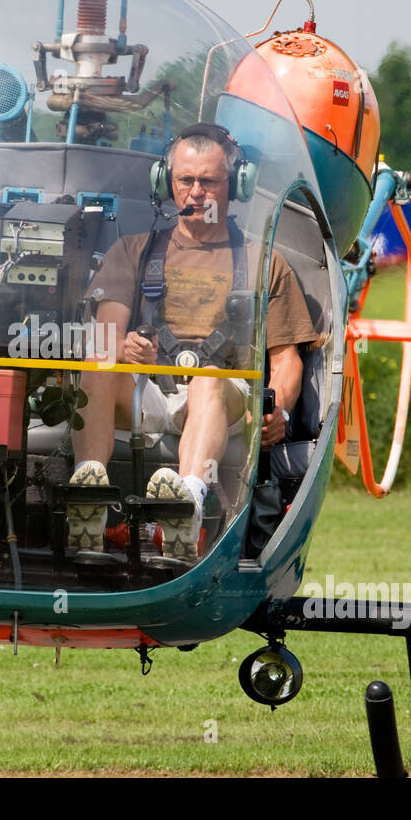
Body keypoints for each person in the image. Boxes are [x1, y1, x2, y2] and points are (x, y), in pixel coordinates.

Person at [68, 124, 318, 558]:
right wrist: (127, 349)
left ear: (235, 185)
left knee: (208, 378)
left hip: (223, 396)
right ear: (167, 183)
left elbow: (287, 360)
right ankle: (88, 498)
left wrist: (278, 410)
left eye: (209, 181)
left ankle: (185, 504)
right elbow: (106, 339)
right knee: (97, 371)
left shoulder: (264, 263)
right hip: (146, 392)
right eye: (185, 180)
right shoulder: (132, 252)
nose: (196, 193)